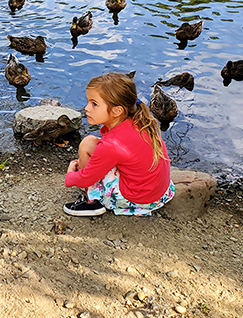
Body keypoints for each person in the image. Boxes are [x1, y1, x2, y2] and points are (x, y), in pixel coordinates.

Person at [64, 72, 174, 216]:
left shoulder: (111, 145)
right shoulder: (140, 122)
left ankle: (92, 201)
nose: (86, 108)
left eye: (94, 104)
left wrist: (70, 175)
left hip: (139, 198)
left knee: (86, 145)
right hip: (161, 192)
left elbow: (85, 178)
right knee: (92, 144)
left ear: (117, 111)